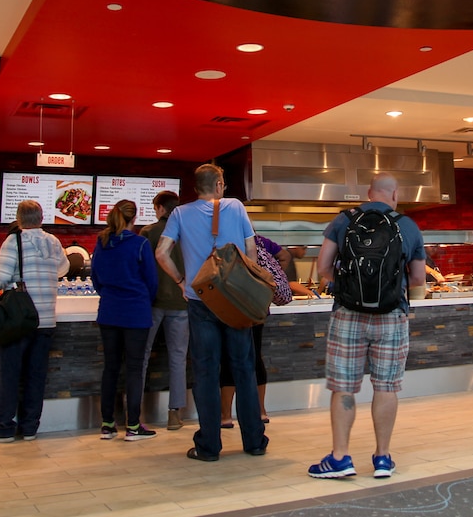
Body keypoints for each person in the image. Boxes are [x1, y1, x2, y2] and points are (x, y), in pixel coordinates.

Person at [308, 172, 427, 479]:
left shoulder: (343, 221)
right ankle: (383, 458)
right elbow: (417, 279)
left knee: (343, 387)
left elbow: (323, 267)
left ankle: (340, 458)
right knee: (386, 387)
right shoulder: (408, 226)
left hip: (348, 315)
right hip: (392, 316)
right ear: (395, 194)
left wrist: (347, 286)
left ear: (368, 192)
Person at [154, 164, 269, 461]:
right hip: (235, 302)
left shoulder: (179, 213)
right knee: (244, 368)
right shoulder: (235, 207)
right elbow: (252, 251)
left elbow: (161, 253)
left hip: (200, 299)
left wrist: (181, 281)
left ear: (196, 187)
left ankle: (208, 446)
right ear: (219, 184)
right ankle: (254, 441)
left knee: (206, 371)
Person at [0, 200, 68, 442]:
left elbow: (0, 275)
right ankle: (29, 427)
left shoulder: (13, 240)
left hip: (19, 319)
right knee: (36, 375)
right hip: (46, 319)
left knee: (9, 374)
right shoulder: (53, 241)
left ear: (19, 220)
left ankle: (4, 428)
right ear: (41, 218)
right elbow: (63, 268)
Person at [91, 199, 159, 440]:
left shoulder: (102, 242)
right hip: (136, 313)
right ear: (134, 218)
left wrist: (110, 294)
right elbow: (152, 281)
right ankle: (132, 426)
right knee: (133, 368)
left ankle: (107, 424)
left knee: (110, 368)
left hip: (109, 311)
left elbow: (96, 278)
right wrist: (141, 299)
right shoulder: (140, 244)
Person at [220, 234, 304, 428]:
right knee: (255, 356)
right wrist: (266, 281)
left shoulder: (224, 240)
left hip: (230, 305)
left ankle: (225, 415)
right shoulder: (260, 241)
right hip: (257, 305)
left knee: (228, 358)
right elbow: (285, 255)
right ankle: (261, 411)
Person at [142, 190, 189, 432]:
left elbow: (141, 267)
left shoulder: (148, 232)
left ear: (160, 208)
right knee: (178, 358)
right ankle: (175, 414)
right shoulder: (188, 232)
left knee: (141, 357)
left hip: (152, 302)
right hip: (182, 303)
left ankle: (136, 414)